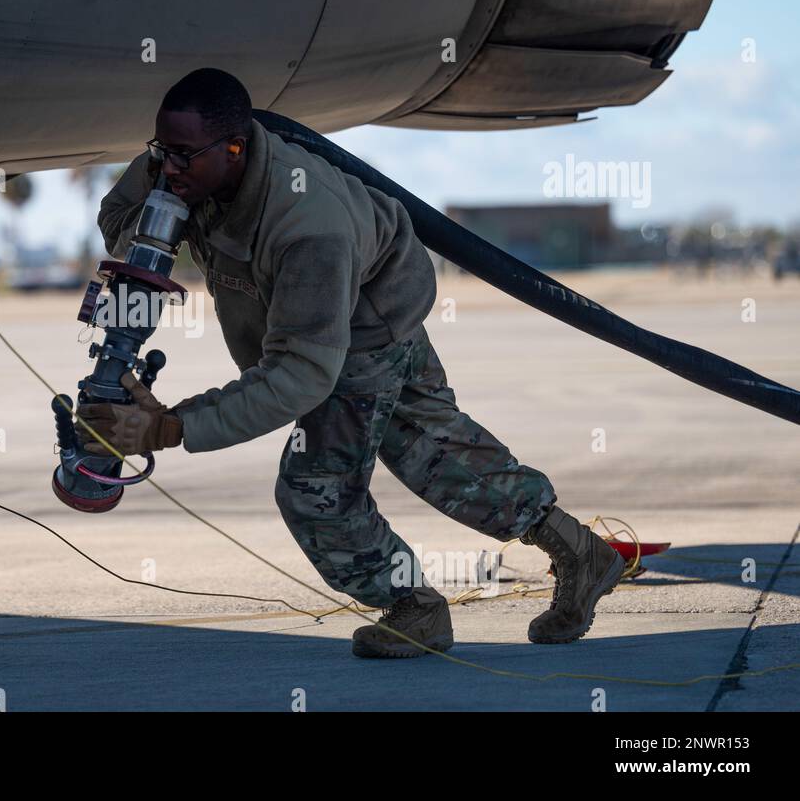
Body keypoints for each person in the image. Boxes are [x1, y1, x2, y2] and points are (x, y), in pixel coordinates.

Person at [81, 68, 625, 658]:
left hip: (364, 331)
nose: (168, 167)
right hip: (346, 315)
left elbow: (302, 373)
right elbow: (117, 223)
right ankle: (580, 550)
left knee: (316, 489)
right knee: (436, 449)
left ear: (234, 148)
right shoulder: (182, 166)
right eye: (160, 151)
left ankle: (413, 609)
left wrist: (173, 427)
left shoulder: (308, 225)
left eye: (183, 157)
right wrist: (163, 204)